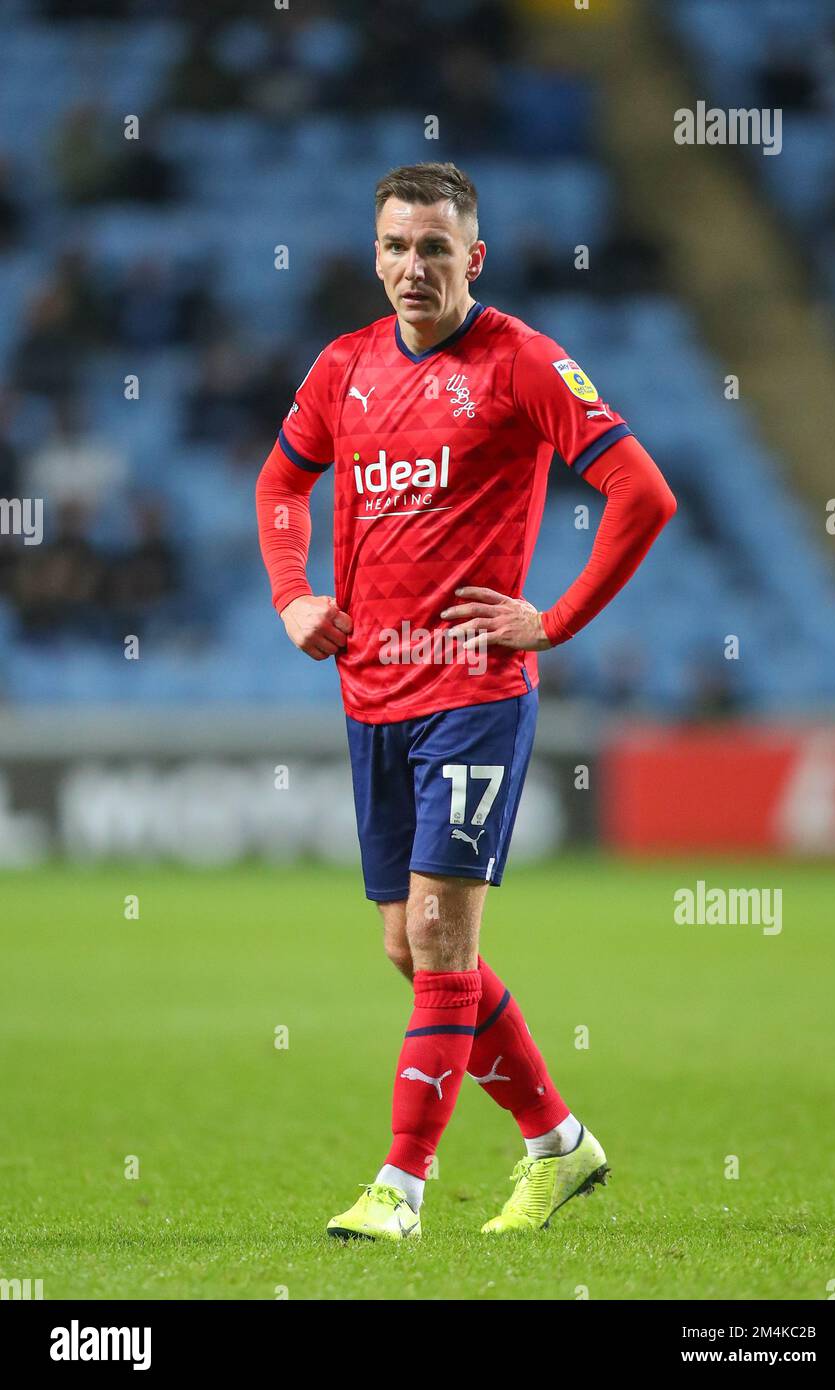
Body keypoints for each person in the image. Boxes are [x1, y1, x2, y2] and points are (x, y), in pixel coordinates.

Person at [256, 162, 676, 1239]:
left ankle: (398, 1186)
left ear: (471, 258)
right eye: (395, 246)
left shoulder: (520, 362)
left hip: (474, 693)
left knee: (440, 936)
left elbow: (641, 491)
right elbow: (277, 483)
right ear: (375, 253)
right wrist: (293, 594)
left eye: (433, 248)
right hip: (371, 693)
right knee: (409, 947)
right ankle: (558, 1144)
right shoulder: (342, 366)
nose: (411, 267)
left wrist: (555, 617)